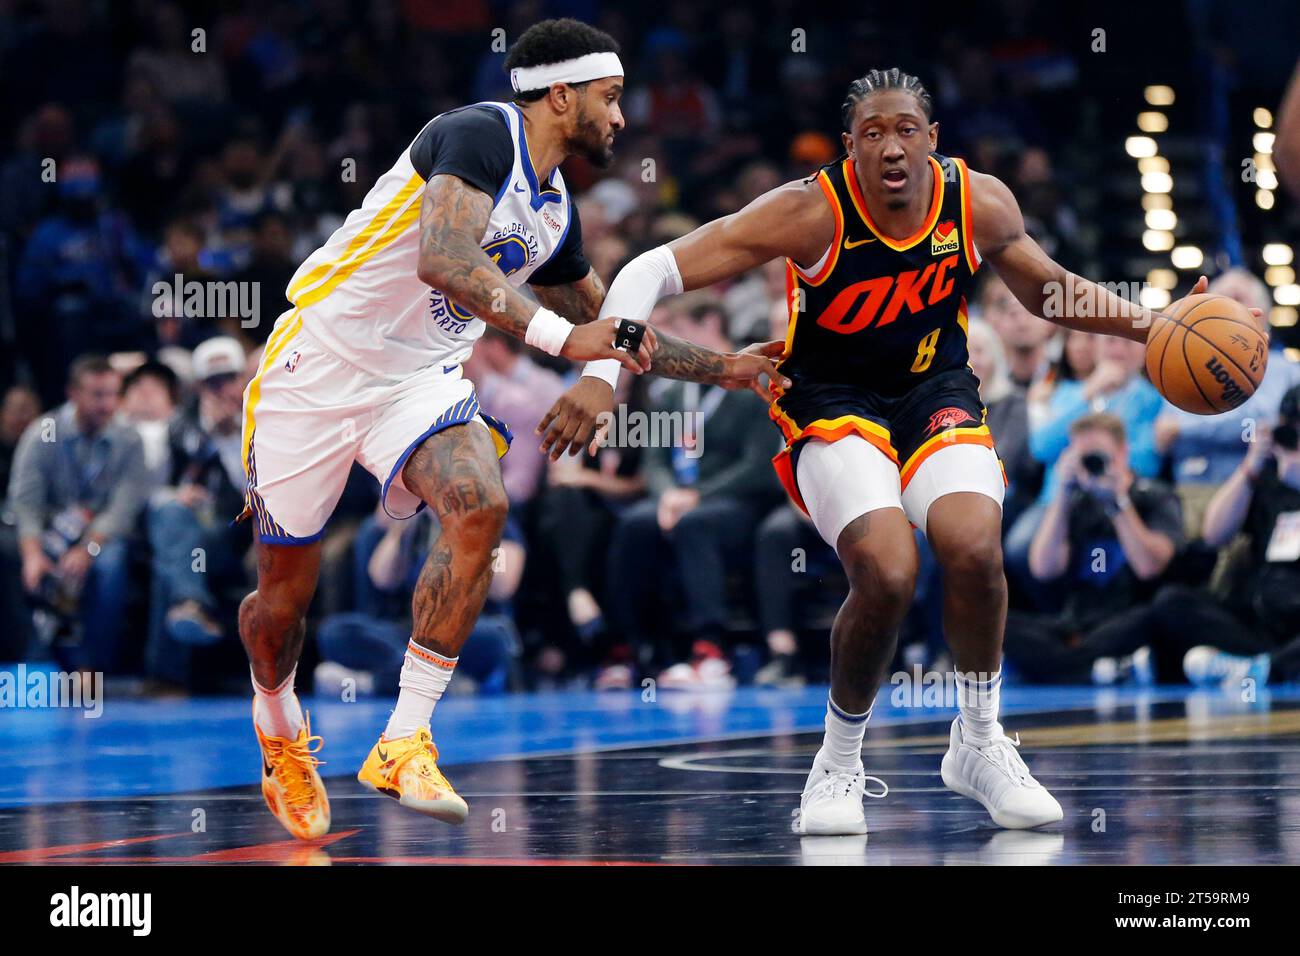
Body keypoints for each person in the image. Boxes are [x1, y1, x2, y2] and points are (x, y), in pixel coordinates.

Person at [537, 67, 1259, 835]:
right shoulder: (808, 211)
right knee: (887, 570)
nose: (890, 145)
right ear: (849, 147)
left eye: (905, 129)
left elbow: (1048, 291)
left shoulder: (976, 199)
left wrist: (1152, 324)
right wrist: (601, 376)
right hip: (827, 398)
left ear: (932, 140)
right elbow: (650, 269)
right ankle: (838, 762)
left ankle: (979, 743)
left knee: (976, 548)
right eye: (872, 132)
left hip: (934, 391)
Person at [236, 18, 782, 841]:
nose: (621, 118)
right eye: (610, 97)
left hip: (416, 382)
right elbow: (446, 258)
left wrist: (724, 367)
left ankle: (404, 738)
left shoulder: (555, 212)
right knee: (281, 607)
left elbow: (612, 323)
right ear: (560, 94)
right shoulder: (478, 132)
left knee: (480, 503)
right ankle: (278, 728)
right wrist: (567, 344)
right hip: (317, 367)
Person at [1002, 413, 1183, 683]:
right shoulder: (1075, 502)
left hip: (1130, 617)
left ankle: (1066, 667)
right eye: (1082, 458)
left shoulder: (1156, 496)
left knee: (1162, 612)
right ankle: (1100, 669)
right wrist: (1062, 494)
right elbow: (1044, 569)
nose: (1091, 465)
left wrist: (1117, 503)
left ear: (1123, 453)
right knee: (999, 627)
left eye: (1098, 457)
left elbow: (1148, 567)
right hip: (1078, 623)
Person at [7, 354, 152, 672]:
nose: (107, 404)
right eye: (98, 395)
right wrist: (32, 554)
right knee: (17, 558)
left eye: (113, 394)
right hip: (49, 532)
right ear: (73, 394)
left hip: (102, 536)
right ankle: (30, 663)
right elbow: (25, 501)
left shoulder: (130, 439)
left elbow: (123, 508)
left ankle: (90, 667)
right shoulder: (42, 432)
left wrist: (88, 548)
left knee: (110, 565)